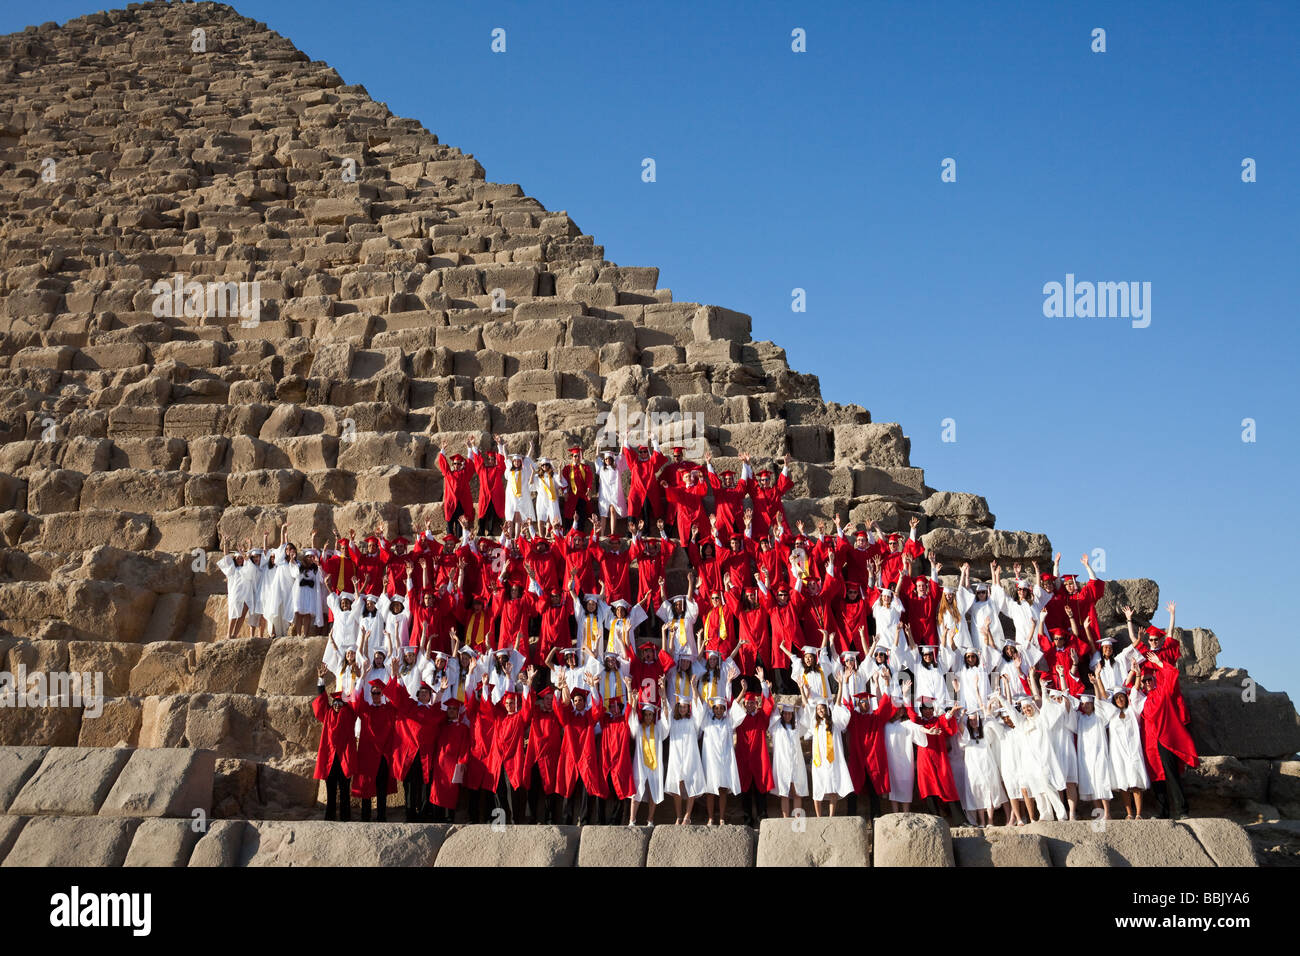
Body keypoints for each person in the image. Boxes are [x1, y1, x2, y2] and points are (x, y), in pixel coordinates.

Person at [312, 662, 357, 821]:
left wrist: (355, 678)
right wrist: (321, 680)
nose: (337, 705)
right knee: (331, 791)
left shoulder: (349, 716)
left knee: (345, 791)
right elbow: (321, 703)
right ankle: (329, 817)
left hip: (343, 758)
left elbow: (353, 703)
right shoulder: (328, 715)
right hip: (330, 759)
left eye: (340, 703)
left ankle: (345, 818)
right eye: (335, 703)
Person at [352, 678, 398, 822]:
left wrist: (395, 676)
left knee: (382, 787)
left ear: (382, 694)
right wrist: (361, 678)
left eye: (379, 693)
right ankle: (365, 816)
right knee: (366, 785)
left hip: (383, 754)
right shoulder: (366, 710)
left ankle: (381, 816)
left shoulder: (389, 710)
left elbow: (397, 700)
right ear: (371, 694)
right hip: (368, 753)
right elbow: (356, 701)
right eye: (374, 693)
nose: (376, 695)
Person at [629, 698, 669, 826]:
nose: (648, 717)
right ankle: (632, 820)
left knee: (653, 791)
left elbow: (666, 718)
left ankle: (650, 820)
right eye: (646, 714)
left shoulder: (658, 729)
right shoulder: (638, 728)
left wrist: (663, 697)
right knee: (636, 793)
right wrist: (634, 703)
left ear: (653, 715)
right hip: (640, 764)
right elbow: (633, 720)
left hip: (654, 765)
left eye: (650, 714)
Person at [769, 698, 809, 819]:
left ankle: (797, 818)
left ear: (792, 714)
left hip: (797, 763)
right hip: (783, 764)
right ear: (782, 715)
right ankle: (786, 819)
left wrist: (803, 693)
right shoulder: (776, 728)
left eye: (790, 713)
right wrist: (770, 694)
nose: (787, 715)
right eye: (785, 713)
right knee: (784, 792)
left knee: (797, 791)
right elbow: (773, 714)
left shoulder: (796, 728)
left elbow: (804, 716)